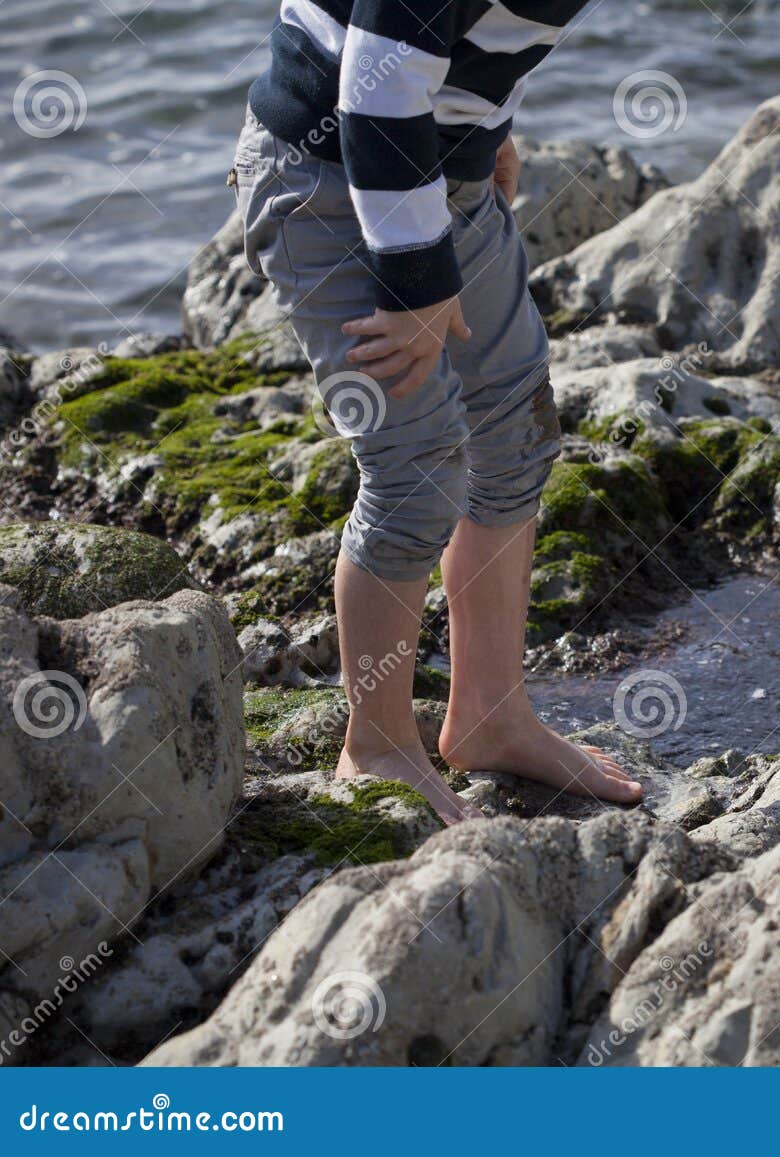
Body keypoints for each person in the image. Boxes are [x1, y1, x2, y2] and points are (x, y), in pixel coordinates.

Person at [232, 0, 642, 822]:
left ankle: (490, 714)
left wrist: (479, 128)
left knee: (518, 430)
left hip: (429, 167)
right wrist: (417, 284)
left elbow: (458, 41)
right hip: (327, 183)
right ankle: (376, 741)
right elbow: (377, 82)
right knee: (416, 466)